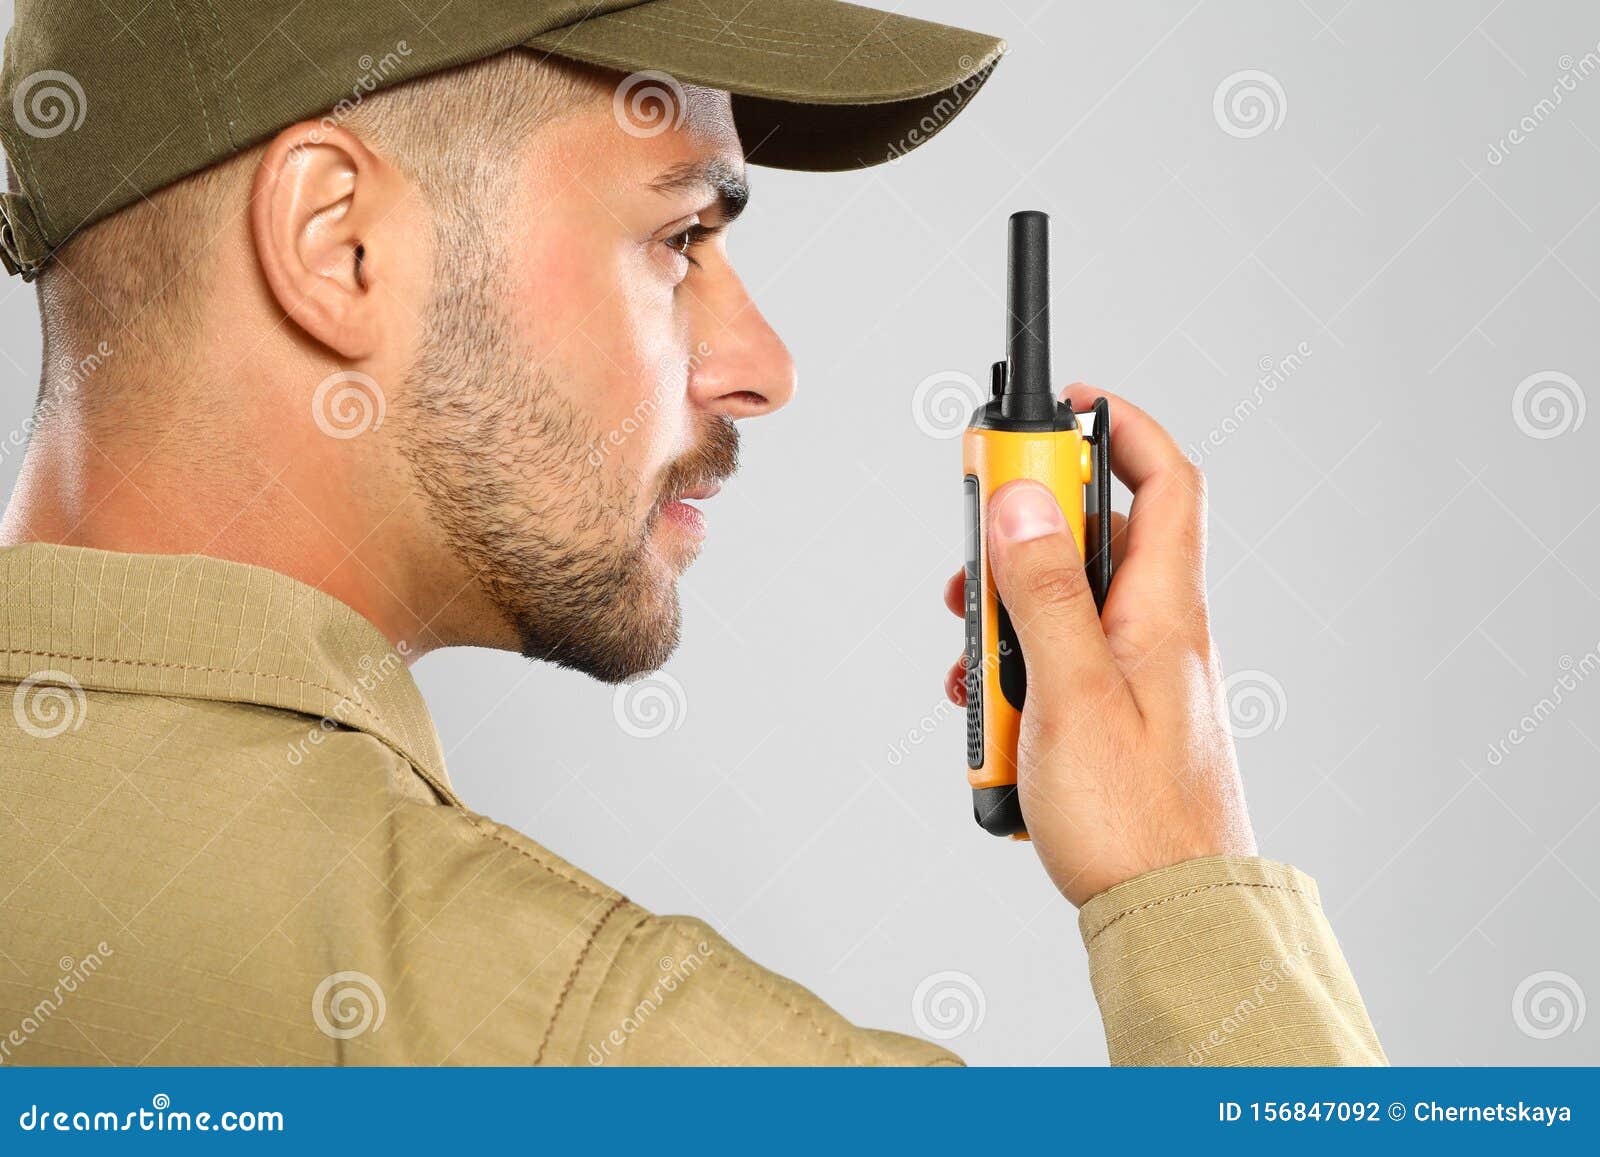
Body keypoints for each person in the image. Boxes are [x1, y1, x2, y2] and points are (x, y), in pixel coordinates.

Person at [0, 0, 1382, 1065]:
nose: (763, 361)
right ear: (340, 243)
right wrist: (1191, 882)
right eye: (681, 234)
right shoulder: (593, 1049)